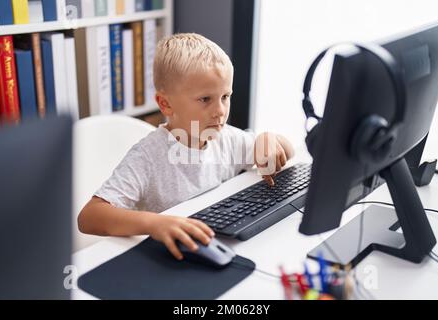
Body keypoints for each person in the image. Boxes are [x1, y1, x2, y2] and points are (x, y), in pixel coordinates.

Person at [78, 33, 295, 260]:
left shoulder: (227, 138)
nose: (220, 110)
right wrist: (155, 223)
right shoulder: (148, 156)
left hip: (213, 243)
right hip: (167, 256)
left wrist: (269, 139)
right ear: (166, 104)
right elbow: (89, 217)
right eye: (205, 99)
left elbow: (287, 150)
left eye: (225, 96)